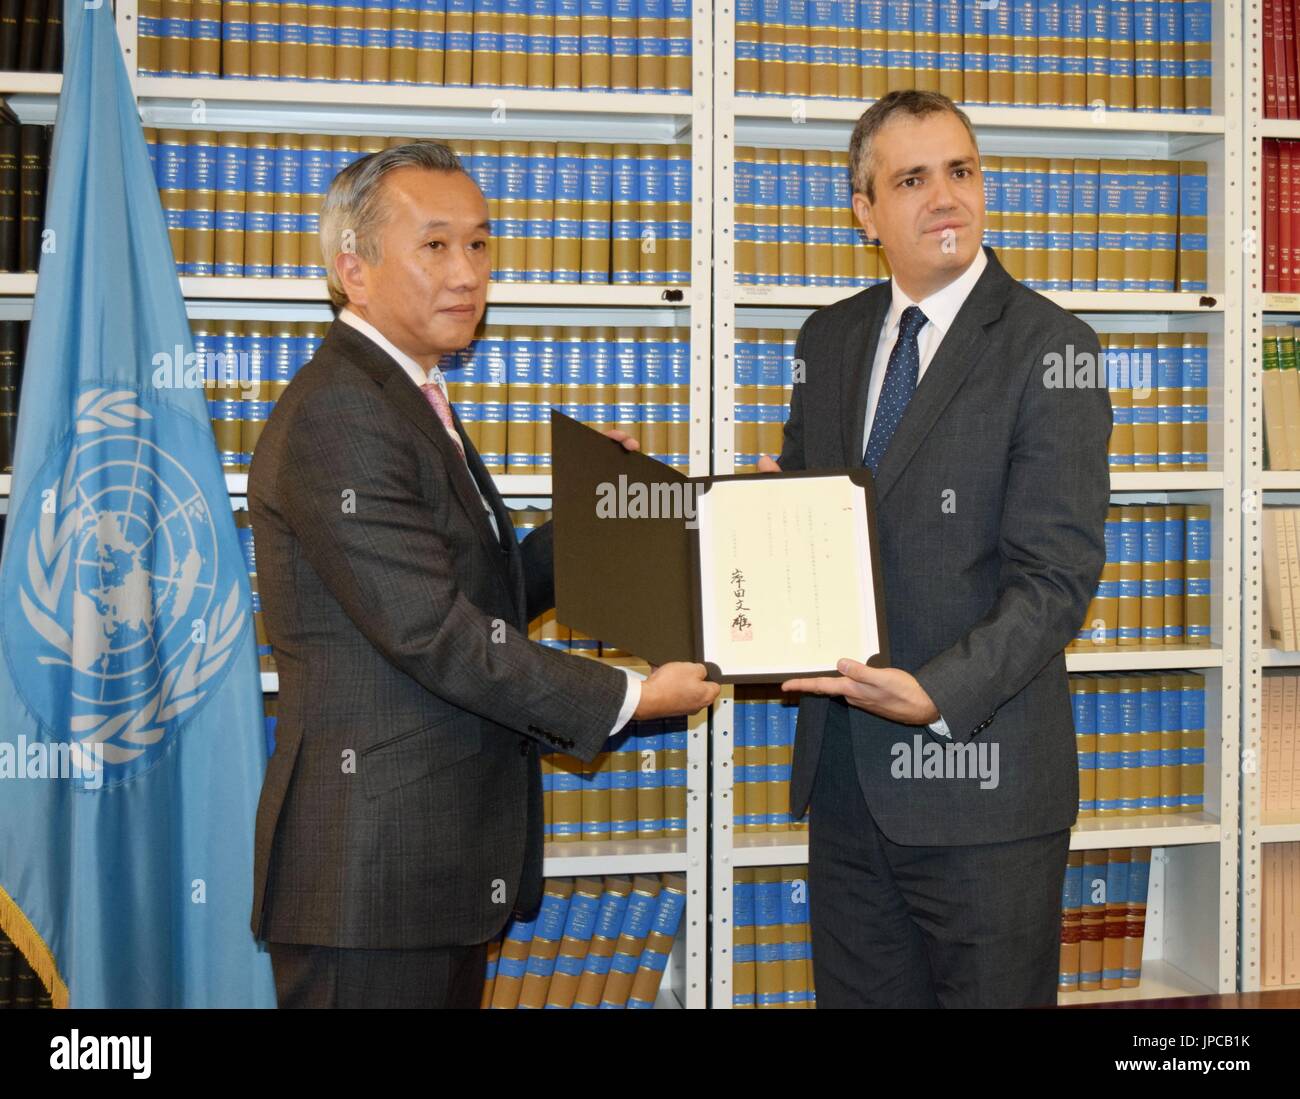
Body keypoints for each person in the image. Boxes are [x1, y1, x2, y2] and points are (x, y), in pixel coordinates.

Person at [247, 141, 717, 1008]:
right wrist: (629, 698)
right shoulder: (344, 411)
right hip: (372, 880)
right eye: (435, 246)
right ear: (354, 269)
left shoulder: (403, 395)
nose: (467, 272)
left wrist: (592, 525)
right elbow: (435, 635)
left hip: (424, 871)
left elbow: (479, 598)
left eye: (480, 244)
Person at [768, 90, 1112, 1007]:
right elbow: (809, 521)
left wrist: (938, 693)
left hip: (986, 789)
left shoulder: (1053, 348)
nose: (945, 197)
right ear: (863, 210)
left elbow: (1058, 578)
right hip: (846, 787)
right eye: (912, 179)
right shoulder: (828, 339)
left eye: (961, 171)